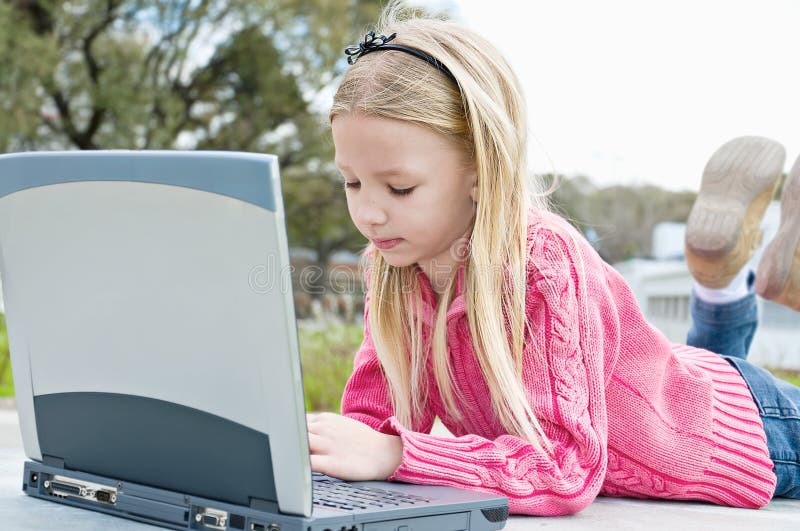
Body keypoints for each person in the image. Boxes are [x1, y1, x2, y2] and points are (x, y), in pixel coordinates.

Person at [305, 4, 800, 516]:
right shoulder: (393, 266)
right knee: (688, 370)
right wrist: (324, 450)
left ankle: (739, 285)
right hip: (674, 385)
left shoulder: (542, 261)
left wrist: (395, 454)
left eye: (400, 187)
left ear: (480, 168)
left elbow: (565, 470)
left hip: (754, 432)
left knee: (701, 388)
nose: (368, 213)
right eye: (352, 182)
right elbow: (368, 425)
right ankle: (719, 286)